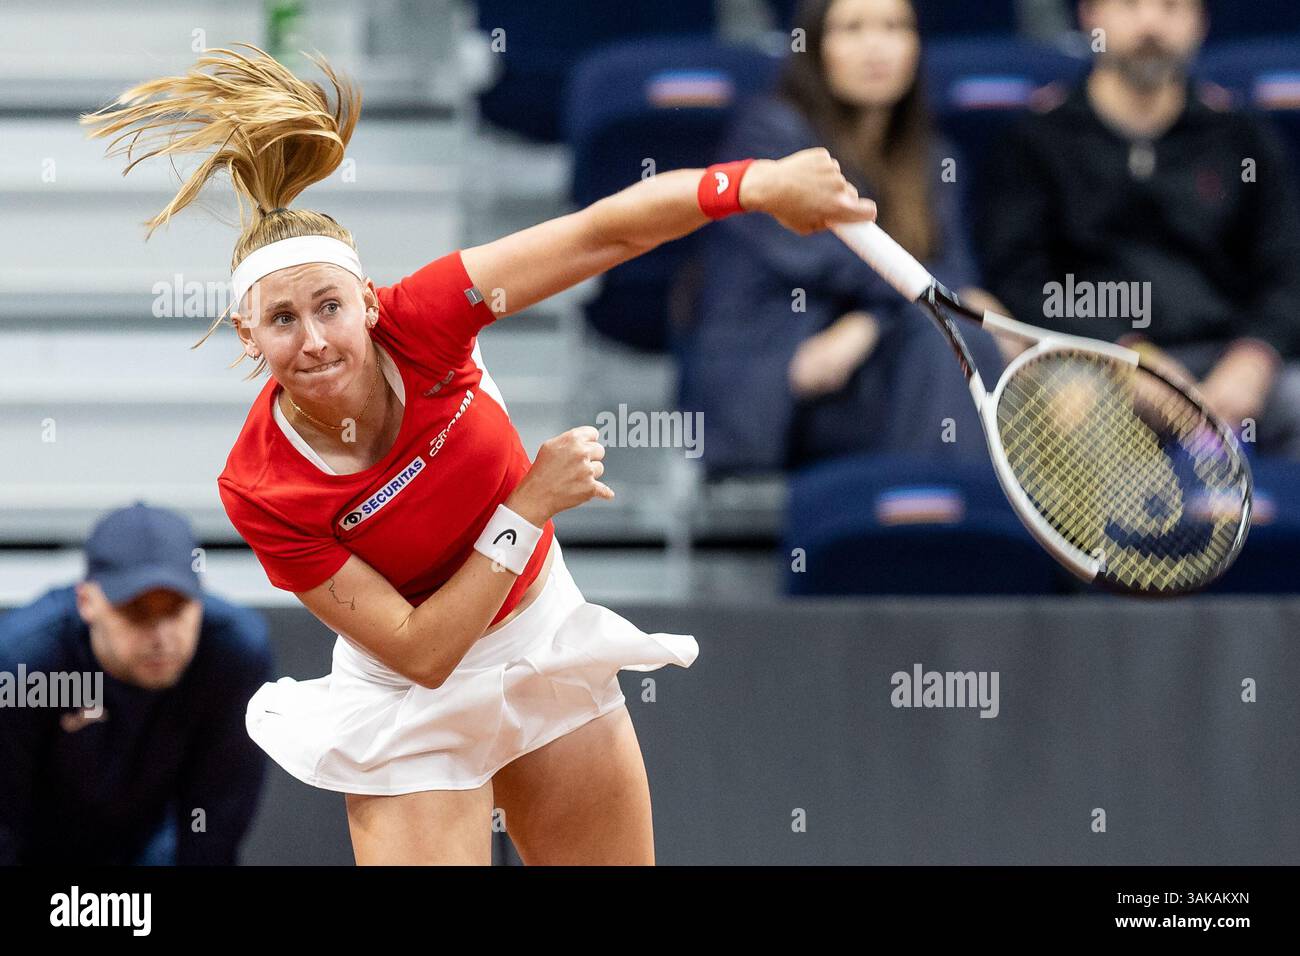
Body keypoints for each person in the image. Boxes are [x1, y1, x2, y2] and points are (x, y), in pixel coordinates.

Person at [80, 43, 874, 865]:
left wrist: (751, 184)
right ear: (249, 333)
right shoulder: (261, 486)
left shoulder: (426, 316)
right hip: (407, 698)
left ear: (369, 301)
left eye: (330, 307)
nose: (314, 340)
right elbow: (423, 654)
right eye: (283, 320)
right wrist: (526, 509)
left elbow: (599, 234)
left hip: (539, 633)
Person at [677, 0, 1009, 477]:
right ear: (813, 48)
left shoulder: (936, 157)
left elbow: (952, 276)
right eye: (851, 29)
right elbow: (828, 259)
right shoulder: (770, 135)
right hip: (784, 376)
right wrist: (891, 315)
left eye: (894, 27)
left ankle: (939, 523)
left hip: (886, 363)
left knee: (949, 344)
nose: (876, 46)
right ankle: (946, 526)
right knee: (940, 343)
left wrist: (869, 325)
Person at [979, 0, 1300, 459]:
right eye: (1129, 5)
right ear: (1090, 17)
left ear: (1199, 22)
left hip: (1229, 359)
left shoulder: (1245, 140)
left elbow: (1288, 273)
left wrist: (1254, 357)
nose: (1151, 23)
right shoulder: (1035, 142)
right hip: (1094, 359)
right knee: (1071, 402)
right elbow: (1020, 280)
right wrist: (1126, 355)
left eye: (1171, 6)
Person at [0, 502, 272, 865]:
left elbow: (216, 823)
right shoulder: (24, 665)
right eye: (136, 611)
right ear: (87, 602)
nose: (161, 637)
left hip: (152, 847)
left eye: (176, 610)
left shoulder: (235, 653)